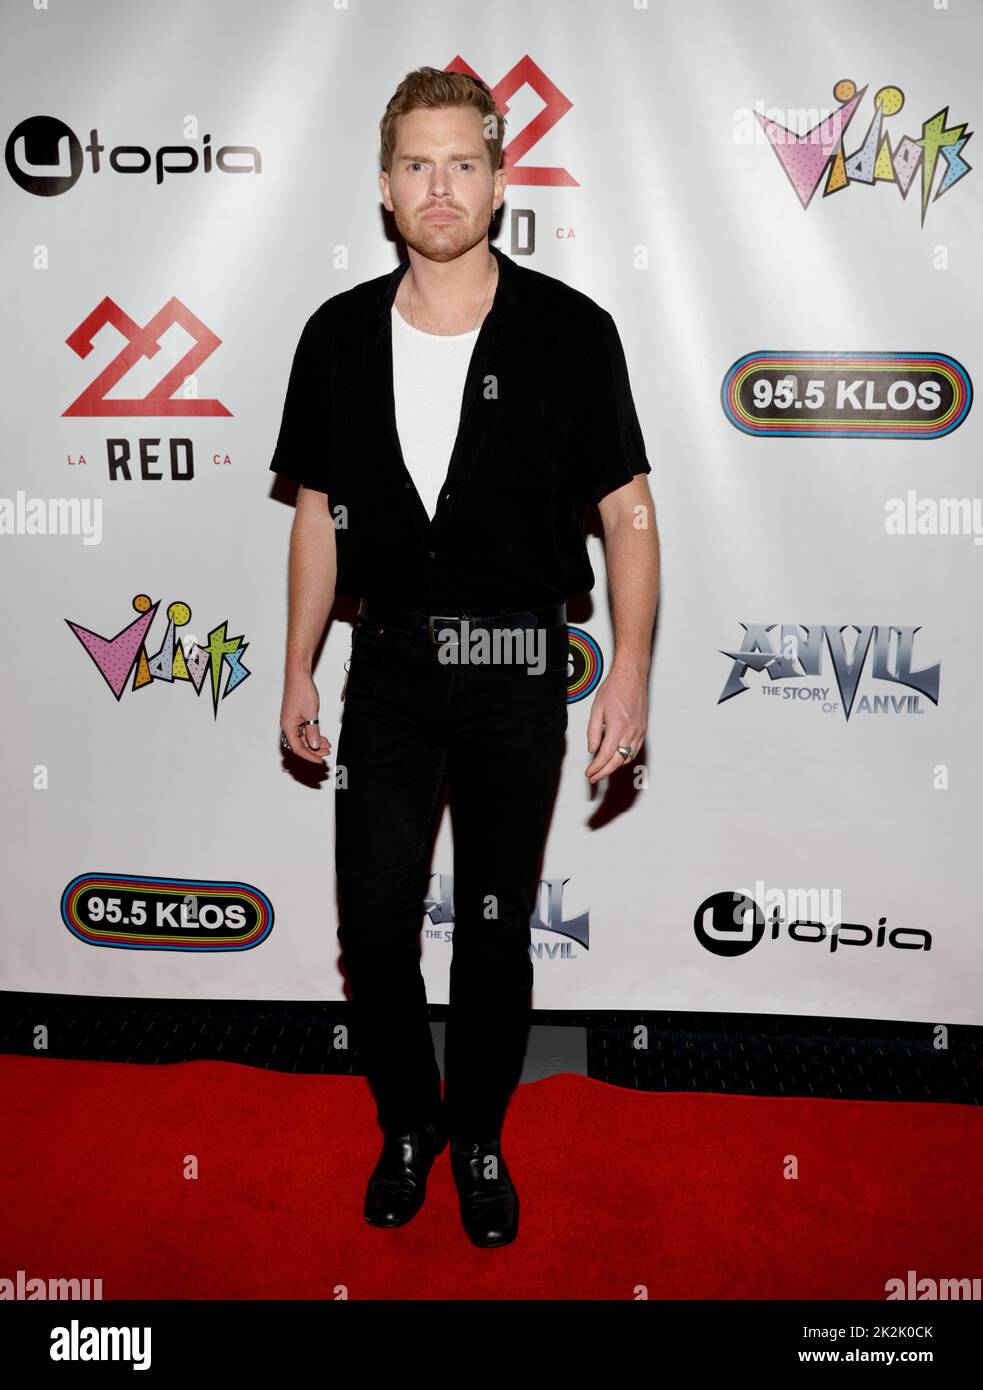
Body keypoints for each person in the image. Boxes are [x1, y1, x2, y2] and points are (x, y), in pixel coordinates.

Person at [270, 67, 660, 1248]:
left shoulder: (570, 331)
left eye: (462, 162)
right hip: (385, 667)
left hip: (514, 667)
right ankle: (408, 1124)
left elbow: (628, 512)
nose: (438, 185)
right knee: (376, 927)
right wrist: (295, 664)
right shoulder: (336, 335)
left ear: (497, 179)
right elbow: (315, 513)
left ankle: (480, 1136)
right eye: (414, 164)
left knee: (492, 925)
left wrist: (630, 669)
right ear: (384, 189)